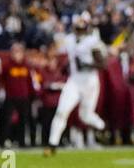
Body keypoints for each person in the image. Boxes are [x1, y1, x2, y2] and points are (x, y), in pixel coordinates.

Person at [44, 13, 107, 154]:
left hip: (90, 81)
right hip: (74, 81)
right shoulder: (69, 39)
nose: (79, 31)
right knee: (61, 111)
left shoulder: (93, 41)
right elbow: (55, 48)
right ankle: (52, 144)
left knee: (85, 116)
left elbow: (102, 64)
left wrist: (87, 64)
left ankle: (102, 128)